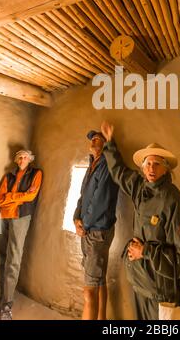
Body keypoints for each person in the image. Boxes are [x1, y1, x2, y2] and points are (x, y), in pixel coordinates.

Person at [100, 121, 180, 320]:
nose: (151, 168)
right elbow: (119, 173)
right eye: (148, 163)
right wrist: (109, 143)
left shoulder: (171, 199)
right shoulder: (141, 188)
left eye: (157, 164)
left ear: (165, 169)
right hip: (140, 283)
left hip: (160, 291)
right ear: (143, 168)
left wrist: (145, 251)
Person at [73, 130, 119, 320]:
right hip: (89, 229)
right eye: (92, 139)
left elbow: (101, 201)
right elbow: (83, 197)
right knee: (99, 282)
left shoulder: (107, 163)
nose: (93, 141)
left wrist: (85, 225)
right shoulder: (92, 164)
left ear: (105, 144)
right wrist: (76, 219)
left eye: (98, 139)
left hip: (98, 231)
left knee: (89, 291)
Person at [0, 150, 43, 320]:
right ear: (16, 160)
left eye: (25, 157)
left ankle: (6, 307)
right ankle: (2, 299)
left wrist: (10, 197)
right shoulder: (9, 176)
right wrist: (15, 197)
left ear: (30, 160)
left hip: (20, 216)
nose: (23, 159)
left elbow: (31, 195)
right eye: (20, 157)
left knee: (13, 259)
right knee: (1, 258)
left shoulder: (36, 173)